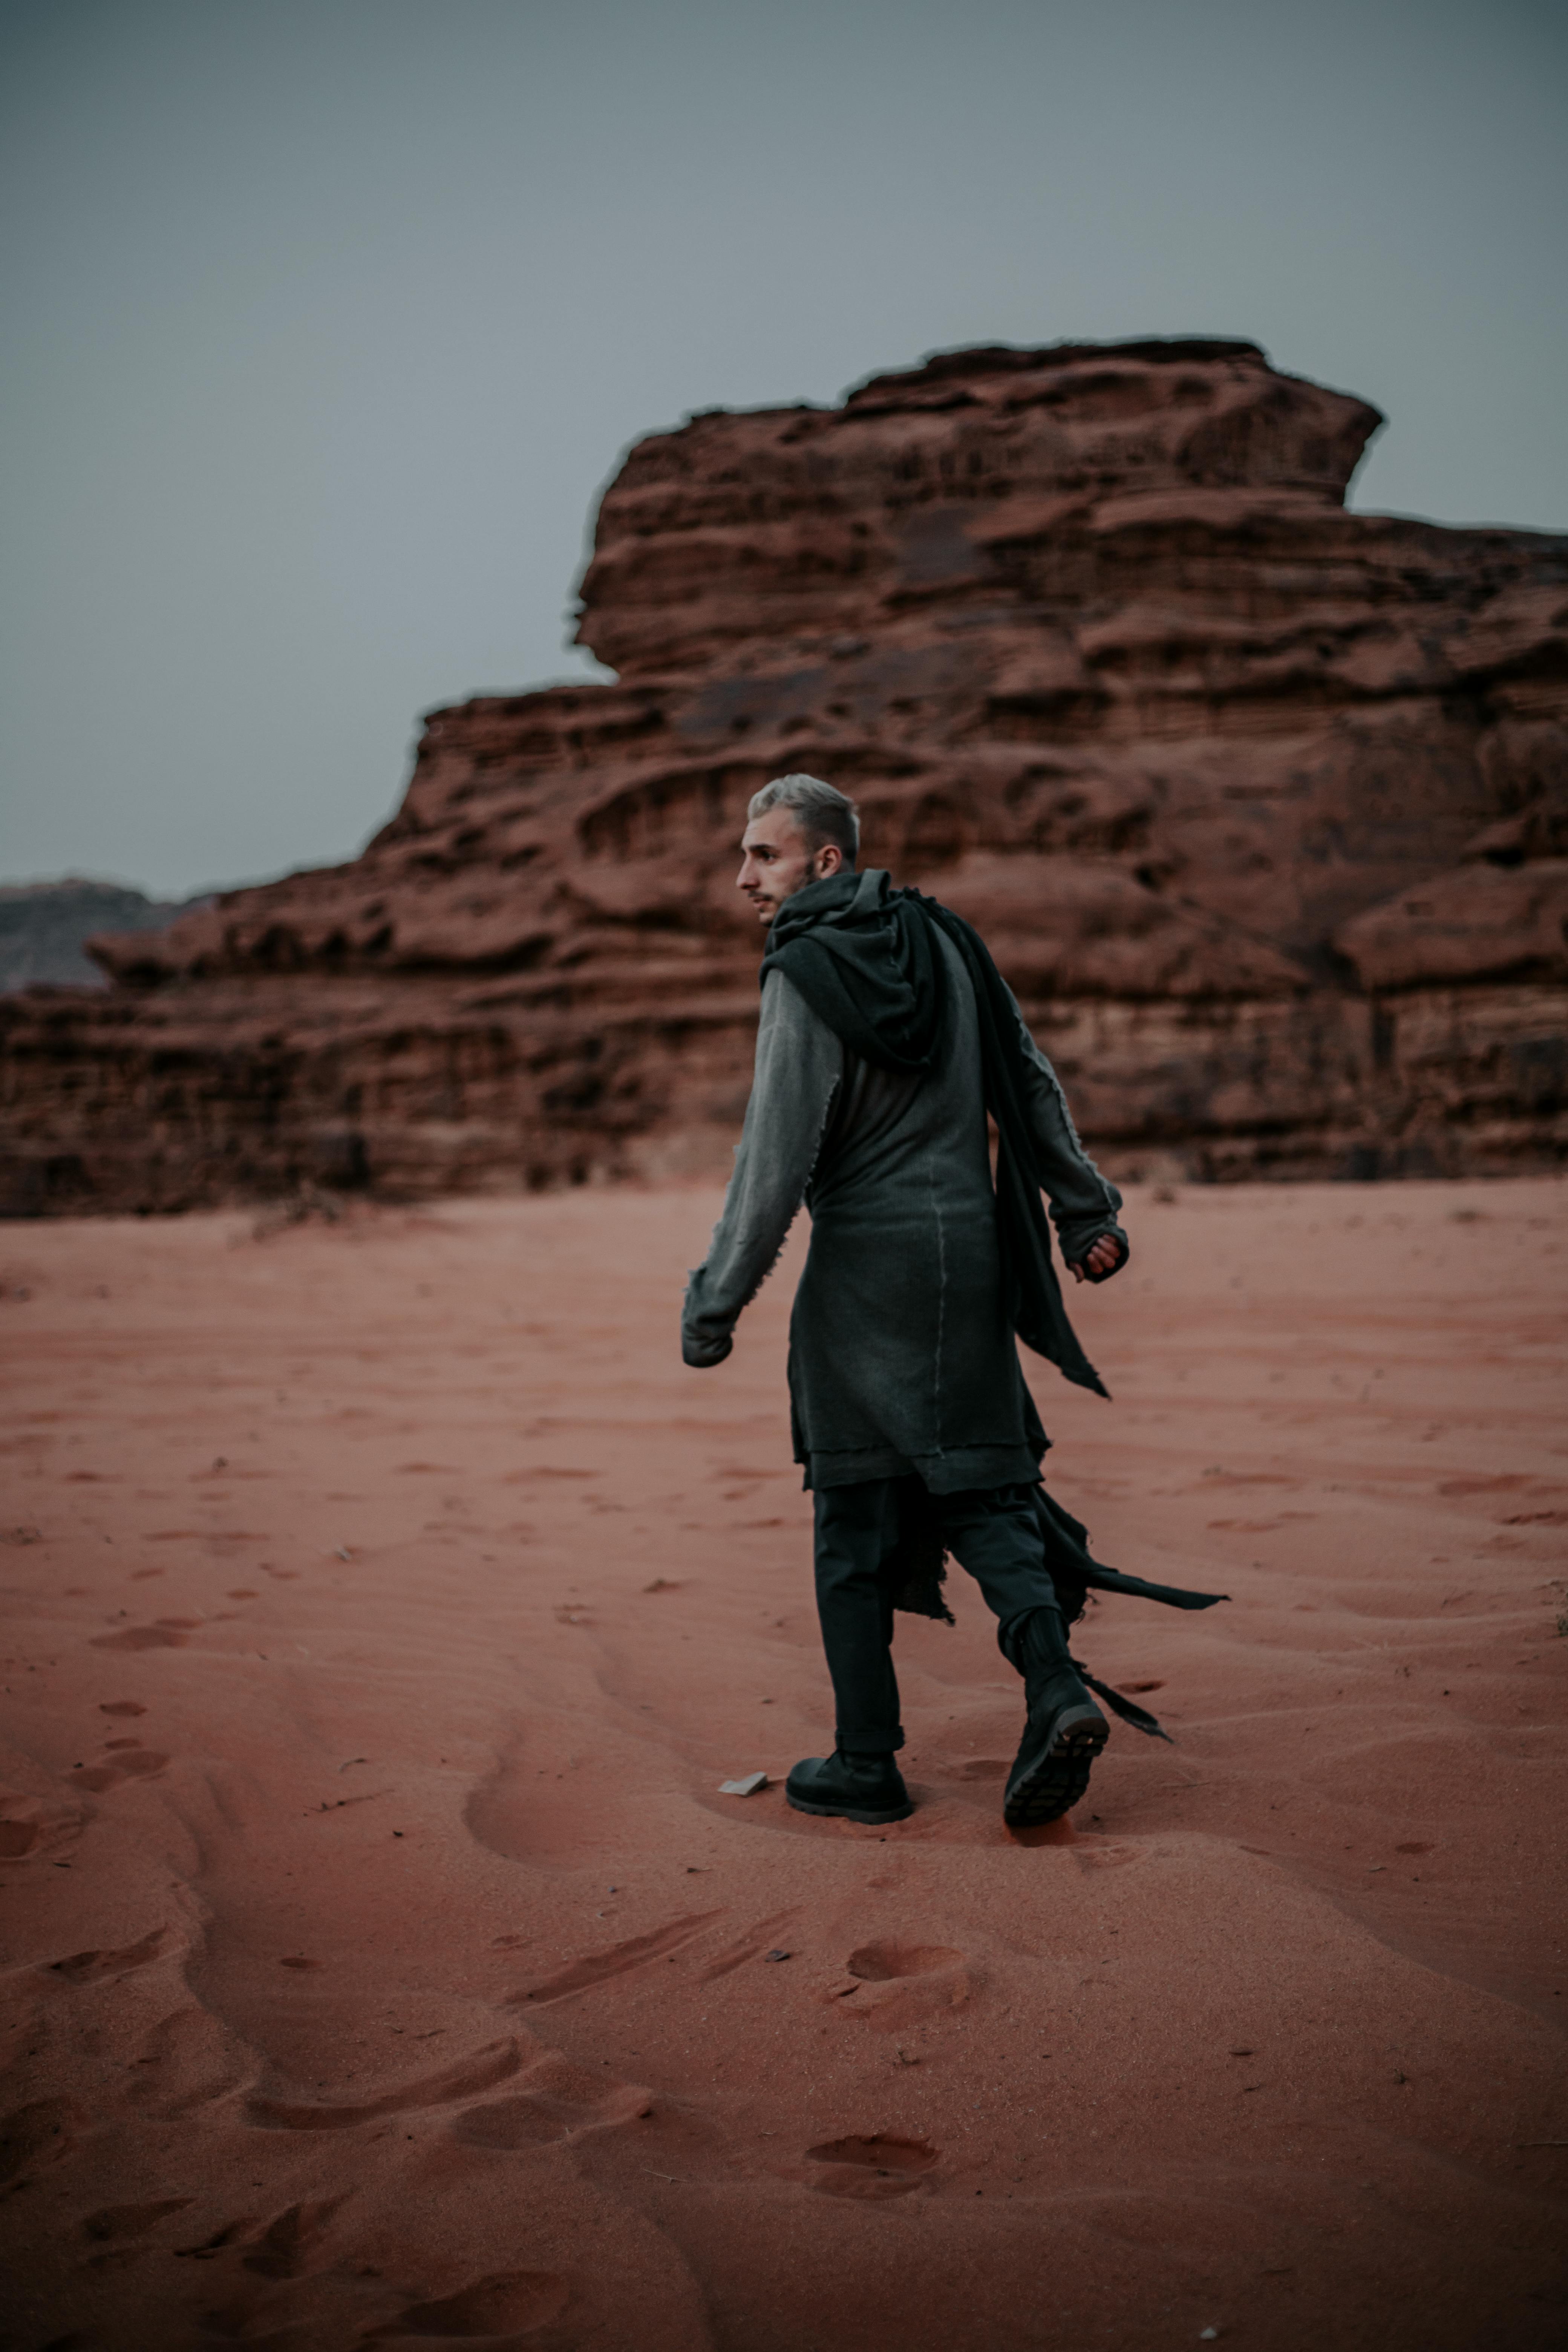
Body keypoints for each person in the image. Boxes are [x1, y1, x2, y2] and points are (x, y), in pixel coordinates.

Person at [681, 774, 1221, 1830]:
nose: (745, 878)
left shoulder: (802, 969)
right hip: (969, 1262)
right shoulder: (947, 941)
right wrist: (1084, 1213)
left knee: (851, 1516)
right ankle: (1054, 1686)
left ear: (825, 862)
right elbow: (1026, 1077)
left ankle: (865, 1764)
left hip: (861, 1280)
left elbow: (773, 1159)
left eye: (764, 856)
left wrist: (716, 1300)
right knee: (981, 1489)